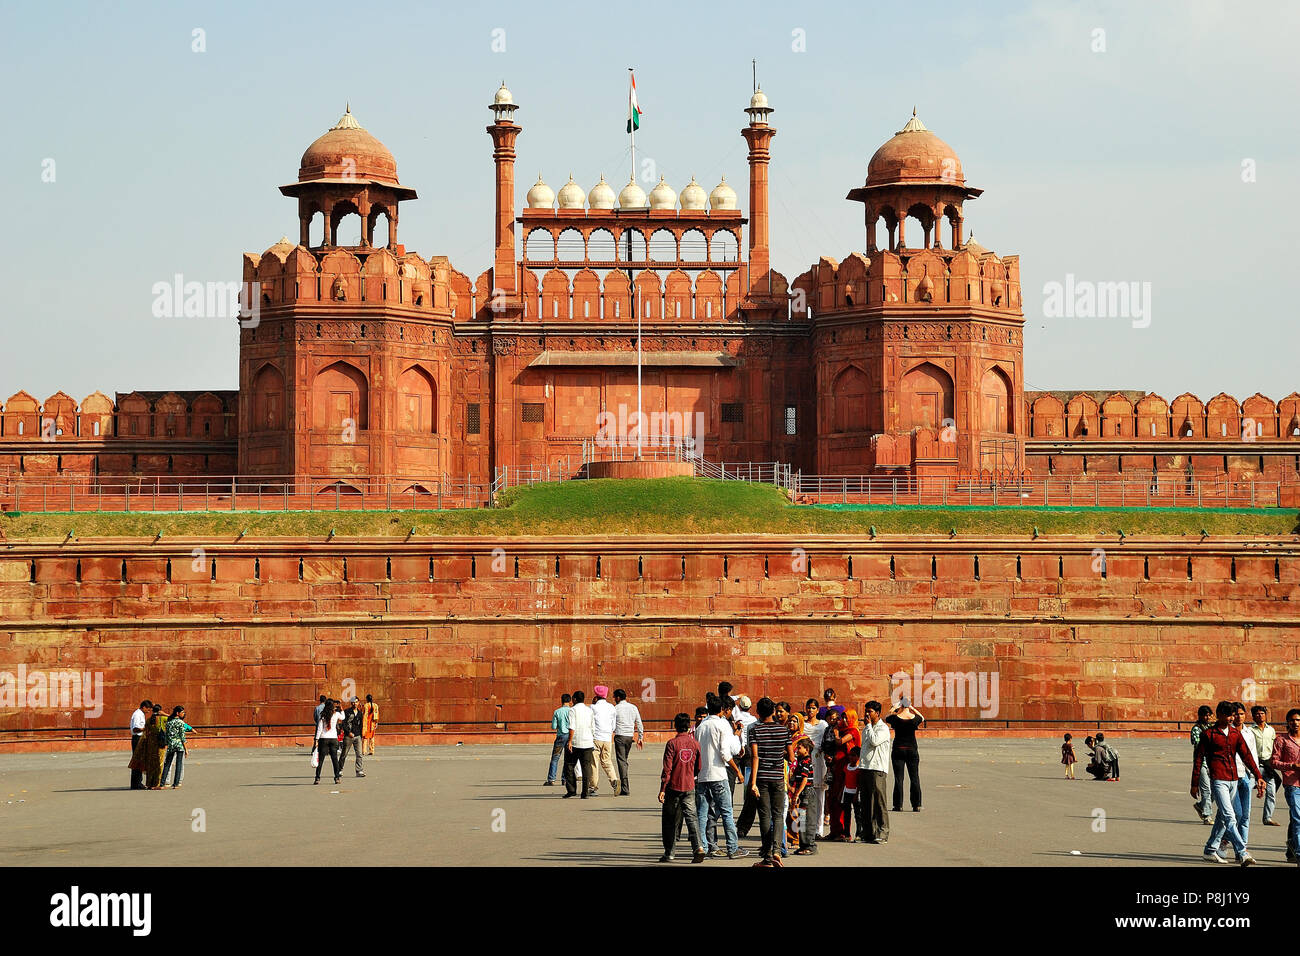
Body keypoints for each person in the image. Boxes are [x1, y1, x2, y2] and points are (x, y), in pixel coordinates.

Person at [1193, 700, 1265, 865]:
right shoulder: (1208, 734)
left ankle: (1210, 850)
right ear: (1218, 715)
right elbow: (1198, 759)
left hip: (1234, 778)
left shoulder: (1235, 734)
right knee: (1230, 816)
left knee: (1221, 818)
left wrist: (1258, 776)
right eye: (1228, 715)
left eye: (1233, 715)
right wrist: (1195, 783)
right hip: (1219, 780)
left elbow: (1247, 756)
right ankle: (1243, 851)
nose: (1231, 718)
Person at [694, 693, 748, 860]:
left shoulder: (701, 726)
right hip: (718, 773)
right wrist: (737, 771)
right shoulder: (722, 724)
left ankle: (702, 846)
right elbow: (725, 752)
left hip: (703, 775)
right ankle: (732, 847)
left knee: (702, 814)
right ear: (723, 710)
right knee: (726, 812)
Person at [747, 696, 794, 867]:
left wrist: (752, 783)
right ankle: (777, 851)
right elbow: (791, 756)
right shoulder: (784, 731)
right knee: (778, 815)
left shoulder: (755, 731)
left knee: (765, 816)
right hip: (778, 777)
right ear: (774, 711)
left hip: (762, 779)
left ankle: (767, 855)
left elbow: (755, 757)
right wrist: (777, 755)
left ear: (758, 712)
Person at [658, 713, 705, 863]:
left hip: (674, 787)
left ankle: (670, 852)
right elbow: (699, 767)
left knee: (670, 820)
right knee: (692, 818)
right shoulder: (695, 744)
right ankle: (698, 847)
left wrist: (663, 788)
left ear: (676, 725)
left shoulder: (672, 744)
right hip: (689, 785)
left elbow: (667, 769)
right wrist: (690, 775)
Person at [1269, 708, 1300, 865]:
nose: (1295, 722)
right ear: (1287, 722)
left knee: (1295, 819)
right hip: (1292, 784)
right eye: (1292, 720)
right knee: (1298, 818)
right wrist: (1292, 765)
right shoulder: (1282, 740)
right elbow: (1273, 762)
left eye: (1298, 720)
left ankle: (1291, 849)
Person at [858, 701, 892, 844]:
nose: (867, 714)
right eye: (866, 711)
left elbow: (874, 741)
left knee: (879, 802)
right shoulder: (867, 728)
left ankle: (883, 832)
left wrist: (868, 726)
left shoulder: (882, 728)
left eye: (870, 711)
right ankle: (868, 833)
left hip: (877, 768)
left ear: (877, 713)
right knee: (866, 803)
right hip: (865, 767)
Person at [886, 697, 925, 811]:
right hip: (912, 749)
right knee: (914, 777)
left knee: (899, 778)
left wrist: (894, 708)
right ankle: (916, 804)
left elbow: (886, 717)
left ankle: (898, 805)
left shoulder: (895, 718)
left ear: (901, 705)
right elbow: (922, 718)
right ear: (909, 705)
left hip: (898, 749)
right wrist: (912, 708)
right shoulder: (914, 719)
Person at [802, 699, 828, 837]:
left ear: (817, 710)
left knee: (819, 797)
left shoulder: (823, 725)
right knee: (802, 795)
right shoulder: (802, 724)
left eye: (813, 708)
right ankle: (801, 829)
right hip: (804, 759)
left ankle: (818, 829)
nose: (810, 710)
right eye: (808, 707)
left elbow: (826, 741)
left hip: (818, 759)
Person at [564, 690, 597, 799]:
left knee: (569, 766)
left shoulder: (572, 710)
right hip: (587, 742)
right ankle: (585, 793)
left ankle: (572, 790)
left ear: (574, 699)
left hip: (575, 742)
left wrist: (569, 740)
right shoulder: (589, 710)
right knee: (586, 767)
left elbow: (572, 726)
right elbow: (593, 727)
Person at [1250, 705, 1280, 826]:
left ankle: (1267, 817)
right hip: (1254, 764)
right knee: (1247, 788)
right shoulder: (1250, 730)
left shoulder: (1271, 730)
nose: (1260, 715)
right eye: (1257, 714)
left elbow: (1274, 747)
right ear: (1253, 716)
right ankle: (1241, 814)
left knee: (1271, 791)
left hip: (1267, 765)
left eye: (1262, 713)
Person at [589, 685, 620, 796]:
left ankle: (593, 787)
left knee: (594, 763)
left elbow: (590, 723)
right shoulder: (611, 707)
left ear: (596, 695)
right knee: (607, 761)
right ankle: (614, 780)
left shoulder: (593, 708)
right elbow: (613, 725)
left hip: (596, 738)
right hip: (607, 738)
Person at [612, 688, 645, 796]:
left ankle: (625, 788)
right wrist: (640, 737)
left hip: (620, 736)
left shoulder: (615, 708)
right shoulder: (633, 707)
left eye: (614, 697)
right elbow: (639, 722)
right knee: (624, 760)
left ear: (618, 697)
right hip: (629, 737)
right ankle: (625, 783)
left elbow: (612, 724)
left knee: (621, 762)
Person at [790, 737, 817, 854]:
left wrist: (797, 793)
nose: (796, 749)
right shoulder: (801, 761)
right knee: (802, 820)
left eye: (799, 747)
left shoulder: (806, 761)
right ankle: (803, 845)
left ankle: (810, 846)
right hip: (803, 794)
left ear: (806, 749)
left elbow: (805, 780)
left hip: (808, 794)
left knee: (808, 820)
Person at [1190, 705, 1214, 822]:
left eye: (1209, 715)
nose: (1207, 717)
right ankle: (1207, 815)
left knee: (1215, 789)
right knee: (1206, 790)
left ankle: (1201, 806)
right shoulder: (1196, 729)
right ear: (1200, 716)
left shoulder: (1212, 728)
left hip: (1212, 762)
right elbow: (1197, 743)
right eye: (1205, 715)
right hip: (1202, 762)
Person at [161, 705, 193, 789]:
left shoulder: (169, 722)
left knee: (167, 764)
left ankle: (162, 783)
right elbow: (182, 737)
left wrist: (167, 744)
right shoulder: (180, 723)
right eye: (182, 712)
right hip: (179, 745)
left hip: (171, 744)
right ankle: (175, 784)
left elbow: (167, 735)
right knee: (179, 764)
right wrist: (186, 749)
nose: (184, 714)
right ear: (178, 713)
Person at [314, 699, 345, 785]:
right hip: (333, 738)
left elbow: (320, 729)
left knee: (321, 760)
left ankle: (317, 778)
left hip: (324, 738)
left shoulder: (323, 715)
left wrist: (316, 740)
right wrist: (341, 709)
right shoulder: (336, 714)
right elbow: (343, 717)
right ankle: (337, 778)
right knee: (334, 759)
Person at [544, 693, 572, 786]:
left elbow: (553, 726)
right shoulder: (572, 711)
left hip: (560, 736)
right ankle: (564, 779)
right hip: (570, 736)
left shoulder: (557, 712)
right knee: (567, 759)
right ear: (570, 701)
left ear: (562, 700)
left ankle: (551, 779)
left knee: (555, 758)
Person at [338, 697, 365, 778]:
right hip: (348, 736)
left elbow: (361, 725)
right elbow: (344, 723)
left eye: (356, 702)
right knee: (344, 754)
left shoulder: (360, 713)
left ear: (358, 702)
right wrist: (348, 732)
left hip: (357, 736)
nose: (354, 704)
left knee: (359, 754)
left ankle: (359, 770)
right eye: (353, 702)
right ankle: (339, 769)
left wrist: (360, 734)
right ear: (351, 703)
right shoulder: (347, 712)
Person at [129, 699, 151, 790]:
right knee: (138, 760)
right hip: (137, 739)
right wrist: (145, 729)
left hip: (139, 738)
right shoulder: (138, 714)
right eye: (148, 709)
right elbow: (135, 729)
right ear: (144, 707)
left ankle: (137, 782)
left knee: (139, 760)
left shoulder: (140, 714)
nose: (148, 711)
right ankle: (136, 783)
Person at [144, 704, 167, 790]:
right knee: (159, 763)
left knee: (151, 764)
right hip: (160, 744)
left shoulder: (149, 720)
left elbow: (146, 733)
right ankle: (157, 784)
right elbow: (175, 719)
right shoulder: (163, 719)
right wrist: (165, 714)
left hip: (151, 744)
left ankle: (149, 783)